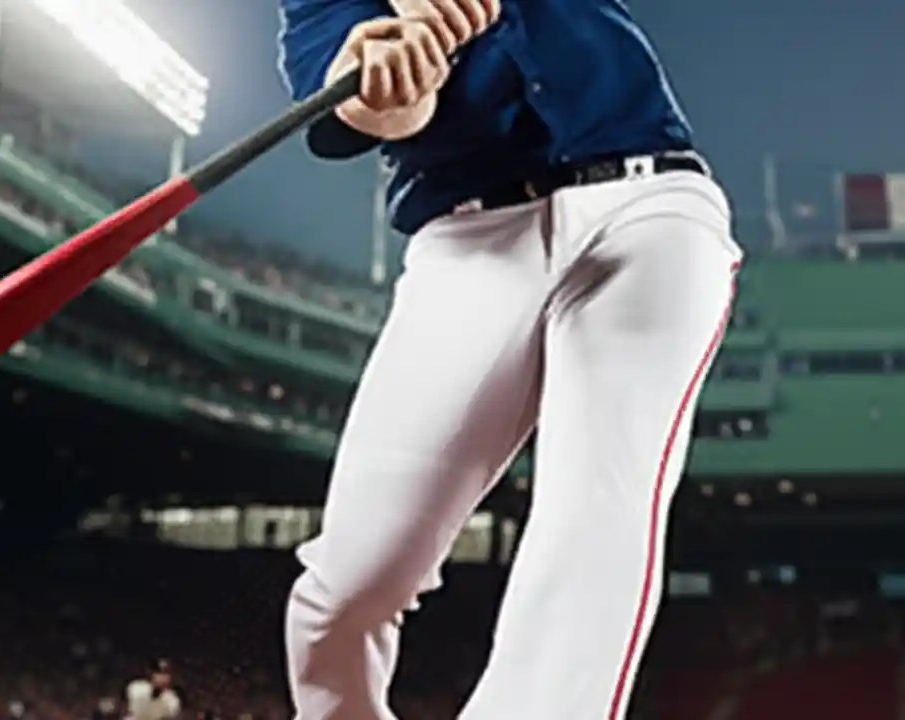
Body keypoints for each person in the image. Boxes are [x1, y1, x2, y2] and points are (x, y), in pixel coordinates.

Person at [276, 0, 744, 717]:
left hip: (647, 205)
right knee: (343, 593)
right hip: (467, 242)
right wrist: (395, 85)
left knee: (592, 512)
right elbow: (363, 114)